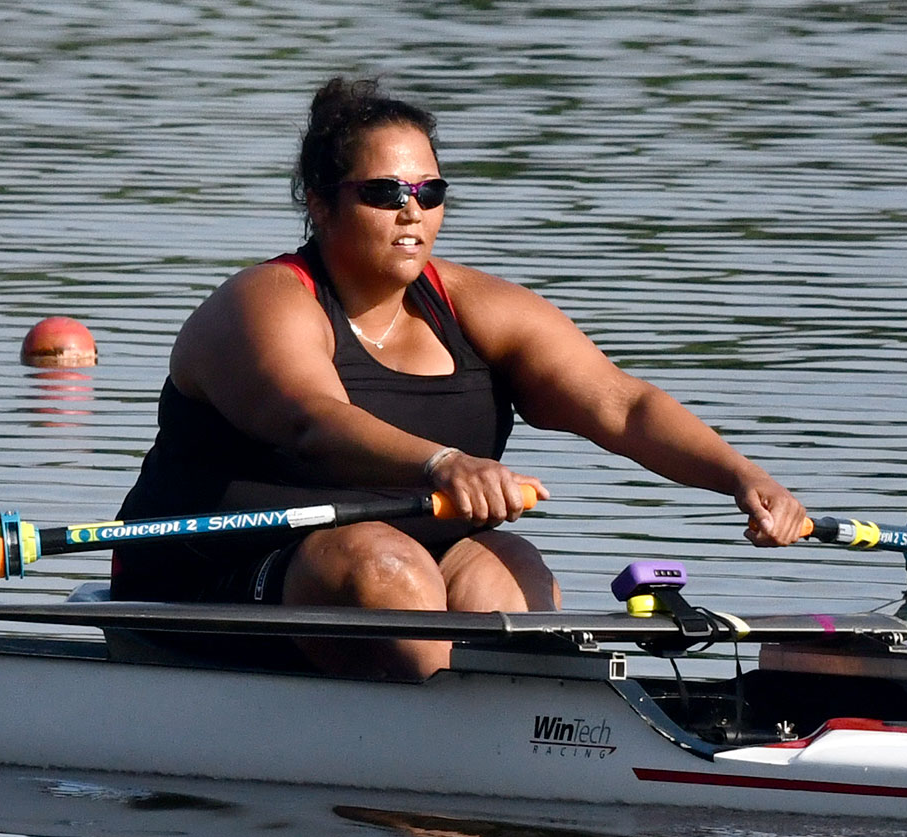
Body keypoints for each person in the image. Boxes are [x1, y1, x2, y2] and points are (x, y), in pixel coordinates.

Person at [112, 76, 806, 680]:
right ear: (320, 204)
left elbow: (622, 406)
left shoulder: (479, 307)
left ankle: (513, 725)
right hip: (206, 574)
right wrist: (443, 463)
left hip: (394, 575)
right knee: (385, 566)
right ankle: (461, 732)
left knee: (509, 570)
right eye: (384, 192)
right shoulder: (263, 303)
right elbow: (311, 420)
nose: (411, 210)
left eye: (429, 190)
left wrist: (743, 478)